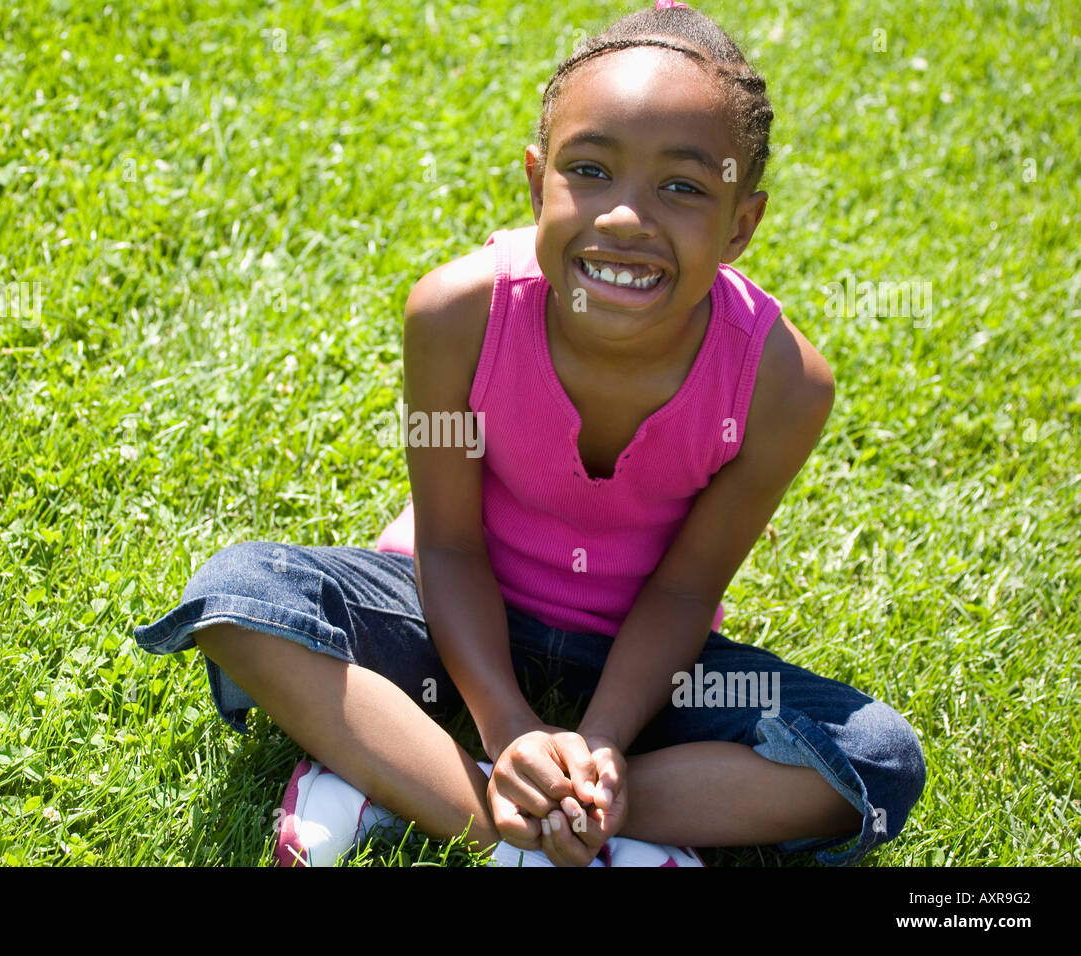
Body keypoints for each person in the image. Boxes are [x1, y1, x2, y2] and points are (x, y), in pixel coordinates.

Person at [133, 0, 926, 867]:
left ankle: (458, 792)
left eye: (684, 187)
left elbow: (684, 593)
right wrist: (509, 724)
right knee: (240, 597)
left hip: (642, 656)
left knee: (873, 759)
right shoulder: (457, 313)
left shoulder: (782, 382)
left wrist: (606, 745)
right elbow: (449, 546)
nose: (626, 217)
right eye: (590, 170)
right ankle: (517, 821)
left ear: (742, 223)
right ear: (535, 177)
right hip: (443, 610)